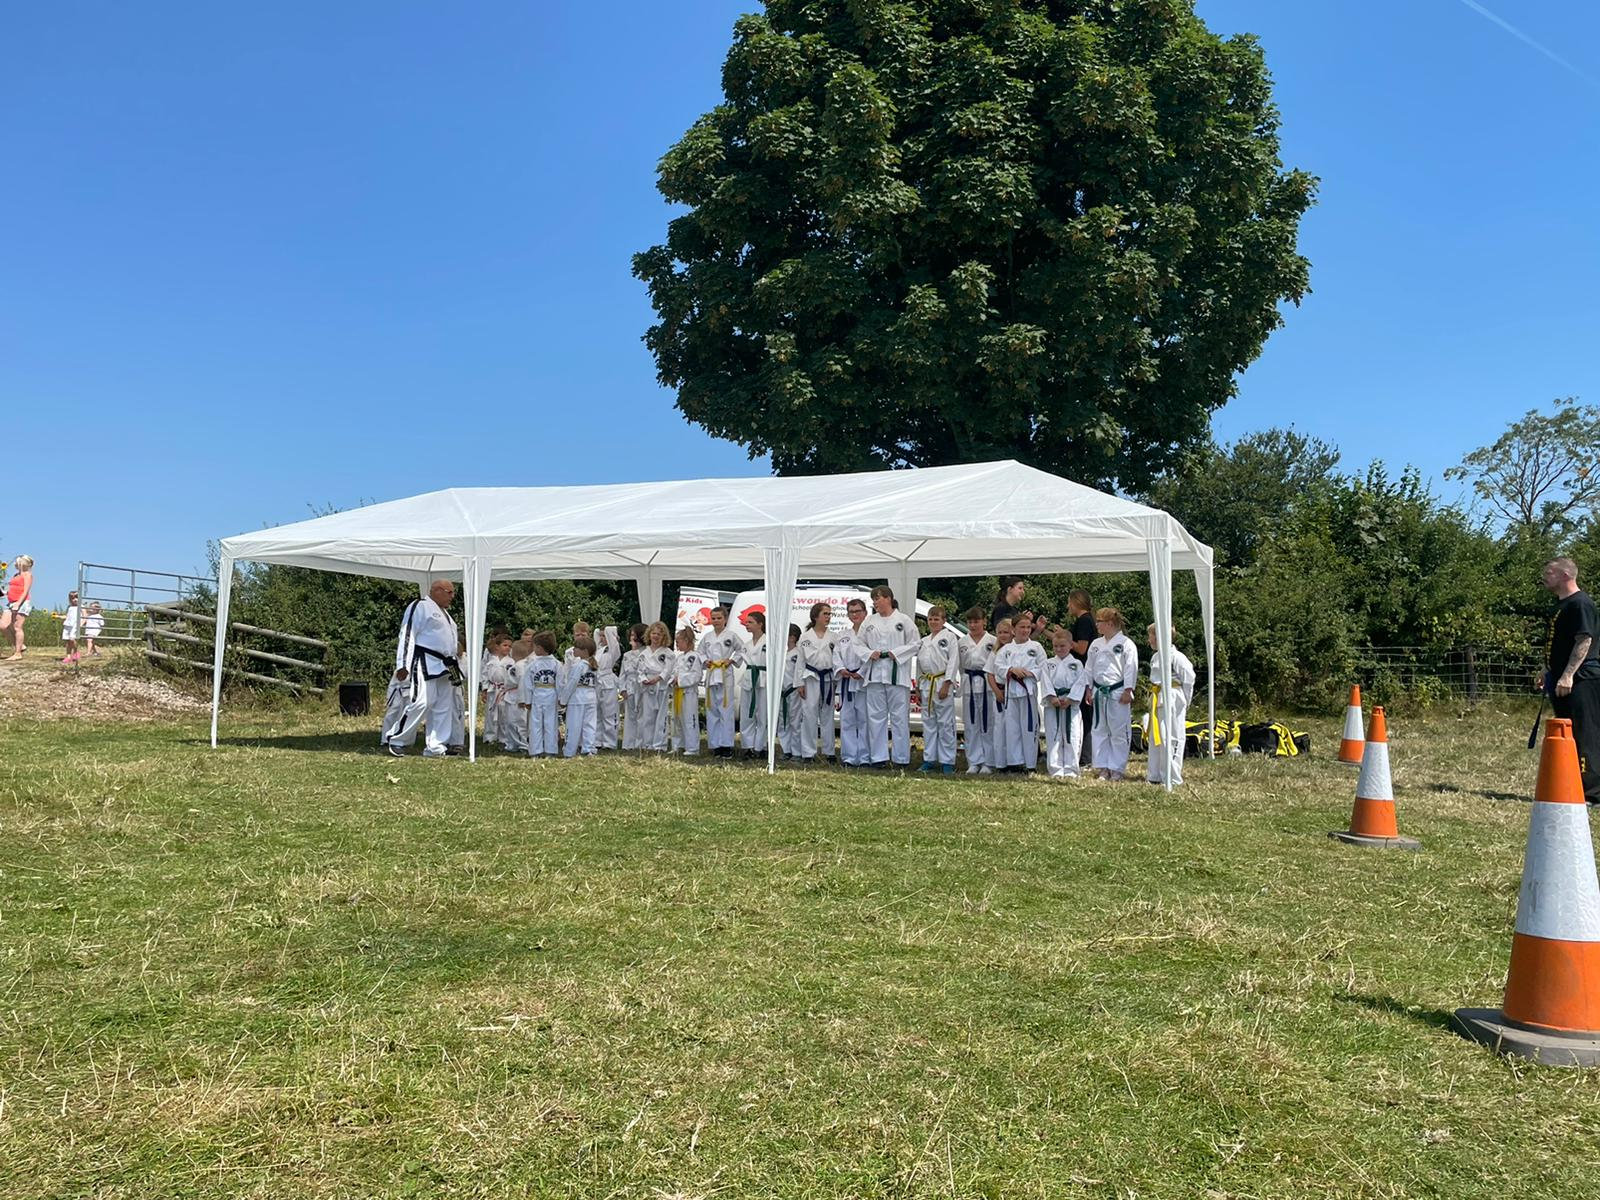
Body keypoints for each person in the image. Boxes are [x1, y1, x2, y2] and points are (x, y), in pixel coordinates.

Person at [1541, 557, 1600, 803]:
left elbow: (1584, 640)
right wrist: (1545, 671)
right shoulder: (1559, 606)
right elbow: (1555, 642)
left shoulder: (1581, 604)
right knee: (1568, 732)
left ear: (1565, 575)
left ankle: (1592, 793)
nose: (1544, 577)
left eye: (1549, 572)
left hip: (1581, 678)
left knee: (1584, 732)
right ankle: (1571, 783)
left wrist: (1568, 675)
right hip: (1560, 678)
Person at [385, 579, 460, 758]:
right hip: (425, 660)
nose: (452, 596)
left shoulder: (446, 615)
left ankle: (436, 746)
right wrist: (403, 664)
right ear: (436, 591)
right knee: (421, 701)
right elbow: (407, 633)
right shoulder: (420, 606)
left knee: (443, 706)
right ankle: (397, 739)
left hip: (446, 664)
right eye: (449, 592)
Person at [861, 585, 919, 767]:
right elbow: (857, 644)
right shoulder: (869, 621)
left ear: (887, 598)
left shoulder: (904, 620)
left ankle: (901, 758)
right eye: (874, 600)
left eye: (877, 598)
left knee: (899, 717)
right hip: (875, 674)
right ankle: (878, 757)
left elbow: (916, 643)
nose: (875, 603)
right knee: (875, 716)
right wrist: (869, 653)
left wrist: (898, 652)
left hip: (897, 674)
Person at [1085, 607, 1138, 780]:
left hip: (1118, 691)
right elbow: (1089, 668)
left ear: (1109, 623)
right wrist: (1088, 688)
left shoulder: (1126, 643)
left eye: (1099, 622)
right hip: (1099, 691)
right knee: (1099, 730)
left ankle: (1117, 768)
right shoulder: (1096, 644)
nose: (1096, 625)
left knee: (1119, 731)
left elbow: (1131, 668)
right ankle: (1102, 767)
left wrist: (1128, 690)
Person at [993, 612, 1046, 773]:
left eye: (1028, 627)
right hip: (1011, 692)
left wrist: (1030, 673)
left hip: (1028, 691)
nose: (1025, 630)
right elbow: (998, 666)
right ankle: (1015, 762)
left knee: (1029, 728)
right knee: (1012, 728)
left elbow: (1044, 667)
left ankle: (1030, 764)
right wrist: (1011, 670)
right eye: (1021, 627)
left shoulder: (1036, 647)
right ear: (1014, 629)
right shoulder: (1007, 649)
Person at [1145, 623, 1196, 787]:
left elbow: (1189, 678)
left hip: (1173, 698)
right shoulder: (1155, 657)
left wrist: (1184, 701)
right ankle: (1155, 774)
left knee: (1172, 736)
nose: (1148, 640)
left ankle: (1172, 776)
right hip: (1158, 697)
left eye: (1151, 636)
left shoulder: (1177, 657)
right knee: (1157, 736)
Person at [915, 606, 961, 774]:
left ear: (944, 621)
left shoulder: (949, 638)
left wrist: (947, 683)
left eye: (937, 619)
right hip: (927, 682)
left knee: (945, 723)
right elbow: (920, 664)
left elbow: (953, 661)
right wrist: (918, 686)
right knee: (928, 723)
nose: (933, 622)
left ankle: (947, 761)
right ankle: (929, 759)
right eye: (931, 619)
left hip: (942, 682)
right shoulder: (924, 640)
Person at [698, 606, 744, 759]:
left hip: (725, 673)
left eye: (719, 618)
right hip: (712, 673)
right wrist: (706, 661)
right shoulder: (707, 637)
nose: (716, 621)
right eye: (714, 618)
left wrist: (731, 660)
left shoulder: (731, 636)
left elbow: (742, 649)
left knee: (726, 709)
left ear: (725, 619)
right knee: (712, 710)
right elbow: (700, 652)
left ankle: (727, 746)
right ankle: (715, 744)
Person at [1043, 626, 1086, 779]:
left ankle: (1071, 769)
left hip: (1070, 704)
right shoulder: (1048, 663)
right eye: (1056, 646)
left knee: (1072, 735)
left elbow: (1081, 683)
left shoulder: (1077, 664)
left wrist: (1070, 699)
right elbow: (1046, 682)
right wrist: (1052, 697)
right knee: (1053, 735)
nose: (1059, 649)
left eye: (1062, 646)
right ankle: (1055, 769)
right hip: (1053, 703)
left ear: (1070, 645)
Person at [796, 602, 836, 763]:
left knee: (828, 715)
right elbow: (800, 661)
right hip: (810, 678)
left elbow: (838, 660)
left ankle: (830, 751)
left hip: (828, 678)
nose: (828, 617)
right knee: (809, 715)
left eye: (829, 614)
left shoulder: (834, 637)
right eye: (825, 614)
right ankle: (808, 752)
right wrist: (798, 683)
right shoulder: (805, 637)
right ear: (815, 616)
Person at [958, 607, 996, 775]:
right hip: (969, 683)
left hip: (988, 684)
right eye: (970, 622)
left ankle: (989, 761)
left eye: (976, 621)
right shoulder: (962, 642)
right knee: (971, 724)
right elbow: (959, 666)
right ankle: (974, 761)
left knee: (988, 724)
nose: (973, 625)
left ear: (984, 621)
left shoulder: (993, 641)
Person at [834, 598, 870, 767]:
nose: (855, 614)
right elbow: (836, 656)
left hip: (863, 681)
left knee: (864, 720)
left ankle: (864, 757)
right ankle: (849, 756)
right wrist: (841, 669)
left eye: (858, 611)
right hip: (846, 680)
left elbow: (872, 656)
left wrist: (862, 672)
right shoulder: (842, 635)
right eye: (851, 612)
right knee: (847, 720)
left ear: (865, 613)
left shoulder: (871, 634)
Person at [517, 632, 562, 757]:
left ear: (540, 648)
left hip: (540, 695)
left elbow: (528, 684)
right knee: (548, 724)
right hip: (548, 695)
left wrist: (528, 700)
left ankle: (540, 751)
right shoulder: (556, 664)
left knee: (538, 724)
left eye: (535, 646)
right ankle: (546, 751)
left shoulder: (536, 664)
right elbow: (560, 684)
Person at [559, 633, 600, 757]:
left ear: (584, 651)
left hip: (577, 698)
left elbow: (571, 683)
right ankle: (588, 748)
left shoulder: (579, 666)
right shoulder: (594, 665)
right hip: (591, 697)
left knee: (573, 725)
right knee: (589, 724)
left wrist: (563, 700)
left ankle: (569, 750)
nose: (574, 650)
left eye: (576, 648)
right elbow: (598, 684)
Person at [639, 621, 676, 752]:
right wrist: (644, 679)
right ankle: (647, 743)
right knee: (648, 716)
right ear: (649, 635)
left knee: (661, 715)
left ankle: (659, 744)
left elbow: (668, 669)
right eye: (654, 633)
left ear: (664, 636)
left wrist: (658, 678)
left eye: (659, 634)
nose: (656, 636)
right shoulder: (644, 652)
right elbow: (640, 670)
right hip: (648, 685)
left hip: (661, 685)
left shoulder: (668, 653)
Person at [739, 611, 770, 759]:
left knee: (762, 714)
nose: (747, 624)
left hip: (764, 678)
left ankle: (761, 746)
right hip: (749, 678)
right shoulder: (745, 646)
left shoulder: (769, 642)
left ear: (760, 624)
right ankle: (748, 746)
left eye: (750, 622)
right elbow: (736, 660)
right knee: (747, 713)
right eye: (746, 622)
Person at [671, 627, 703, 755]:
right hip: (678, 692)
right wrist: (673, 680)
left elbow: (696, 675)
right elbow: (674, 672)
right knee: (677, 718)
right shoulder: (679, 658)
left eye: (678, 641)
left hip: (688, 693)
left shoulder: (694, 657)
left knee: (690, 719)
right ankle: (678, 744)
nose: (677, 644)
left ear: (686, 641)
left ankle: (692, 747)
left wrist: (680, 680)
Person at [593, 624, 622, 750]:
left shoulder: (613, 650)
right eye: (601, 636)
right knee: (597, 712)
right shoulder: (598, 649)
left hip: (608, 682)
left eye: (604, 636)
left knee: (609, 713)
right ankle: (597, 740)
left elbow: (611, 634)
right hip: (597, 682)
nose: (602, 638)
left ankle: (610, 741)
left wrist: (610, 632)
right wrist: (598, 632)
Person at [498, 637, 529, 753]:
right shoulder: (517, 665)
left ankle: (522, 745)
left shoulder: (521, 666)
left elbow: (522, 681)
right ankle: (511, 744)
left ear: (513, 653)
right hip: (510, 695)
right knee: (509, 721)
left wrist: (522, 699)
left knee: (518, 722)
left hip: (517, 697)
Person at [619, 623, 647, 750]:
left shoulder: (646, 653)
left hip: (641, 685)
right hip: (630, 686)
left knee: (642, 714)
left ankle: (640, 742)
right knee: (630, 715)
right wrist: (622, 689)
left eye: (635, 636)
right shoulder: (627, 655)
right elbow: (622, 674)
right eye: (631, 635)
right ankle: (628, 743)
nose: (632, 638)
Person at [2, 554, 35, 660]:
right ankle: (21, 646)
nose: (15, 564)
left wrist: (18, 603)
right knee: (3, 625)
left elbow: (25, 591)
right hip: (11, 602)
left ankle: (17, 653)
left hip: (21, 603)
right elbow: (13, 589)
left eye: (17, 563)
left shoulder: (27, 575)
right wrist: (4, 592)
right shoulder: (16, 575)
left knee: (17, 627)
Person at [780, 623, 803, 760]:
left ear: (792, 637)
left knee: (795, 721)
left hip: (793, 690)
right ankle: (786, 749)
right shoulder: (781, 652)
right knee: (783, 721)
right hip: (782, 692)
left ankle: (797, 751)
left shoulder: (799, 653)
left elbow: (800, 671)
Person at [60, 591, 82, 664]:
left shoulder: (81, 606)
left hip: (75, 625)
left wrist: (81, 623)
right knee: (67, 641)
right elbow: (67, 616)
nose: (75, 599)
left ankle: (76, 652)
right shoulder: (69, 607)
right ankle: (68, 656)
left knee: (72, 639)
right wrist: (60, 617)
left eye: (76, 597)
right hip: (68, 624)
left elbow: (85, 616)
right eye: (72, 598)